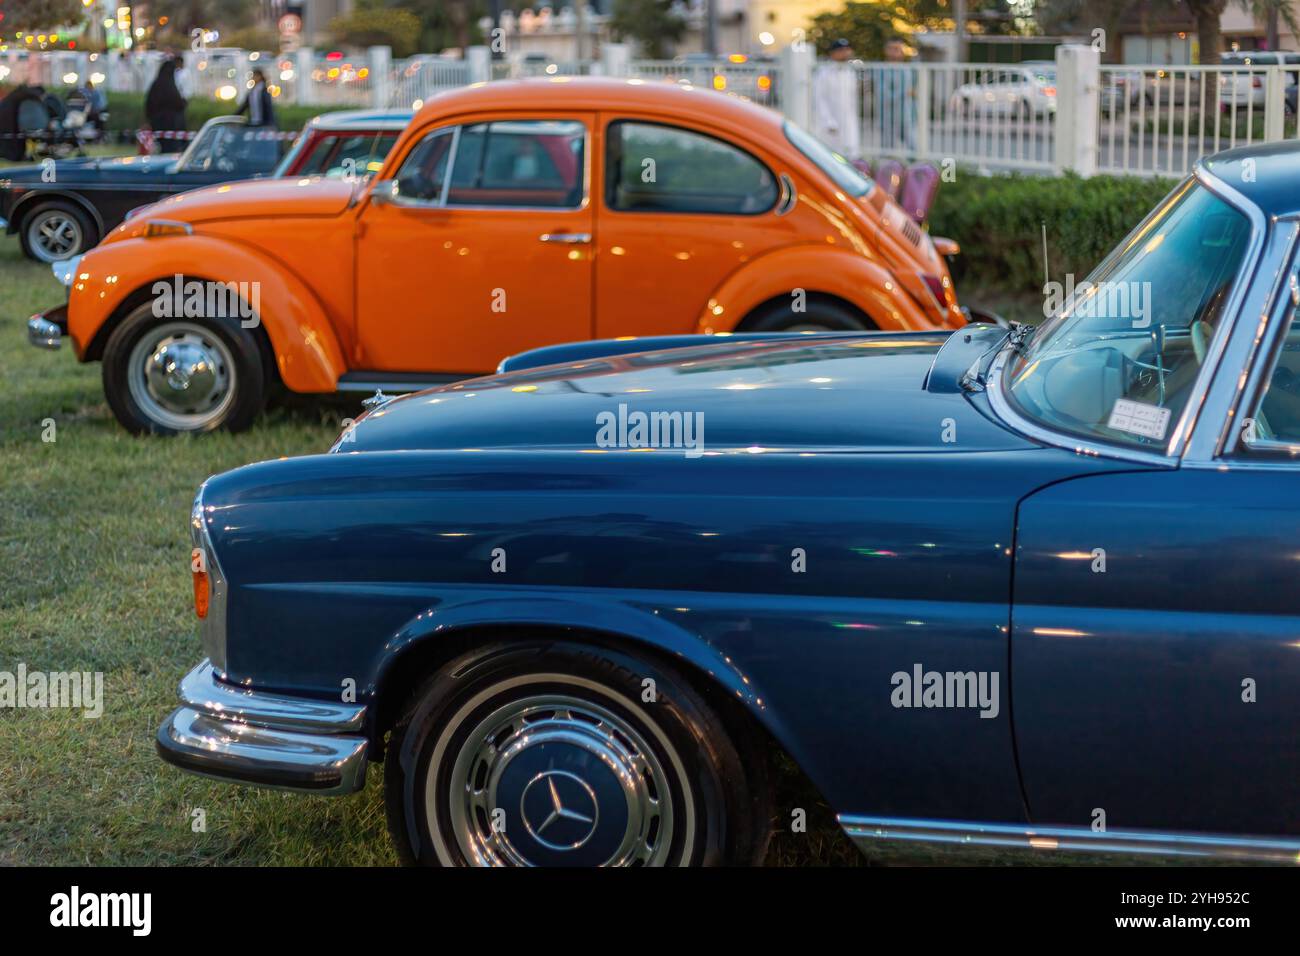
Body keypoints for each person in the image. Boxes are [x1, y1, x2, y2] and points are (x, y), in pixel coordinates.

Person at [813, 38, 861, 159]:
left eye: (847, 50)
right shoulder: (823, 73)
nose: (845, 53)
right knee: (830, 155)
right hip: (830, 123)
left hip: (848, 121)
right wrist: (828, 121)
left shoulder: (850, 72)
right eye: (841, 50)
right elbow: (819, 98)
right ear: (832, 53)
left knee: (850, 154)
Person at [873, 39, 916, 152]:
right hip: (886, 112)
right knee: (887, 146)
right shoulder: (881, 69)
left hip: (905, 113)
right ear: (885, 50)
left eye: (897, 49)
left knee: (911, 144)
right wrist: (903, 94)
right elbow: (883, 92)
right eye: (891, 48)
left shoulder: (907, 70)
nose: (894, 52)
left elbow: (910, 90)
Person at [145, 57, 188, 154]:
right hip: (171, 125)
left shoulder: (156, 85)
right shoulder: (170, 86)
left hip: (157, 124)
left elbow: (149, 105)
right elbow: (178, 103)